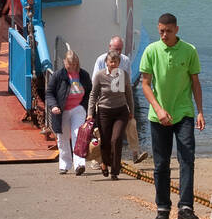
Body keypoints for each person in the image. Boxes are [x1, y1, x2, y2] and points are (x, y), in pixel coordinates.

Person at [140, 13, 205, 219]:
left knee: (187, 159)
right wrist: (158, 109)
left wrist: (200, 111)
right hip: (158, 116)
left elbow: (195, 82)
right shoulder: (151, 51)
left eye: (168, 31)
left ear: (176, 29)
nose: (164, 35)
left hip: (184, 112)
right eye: (161, 31)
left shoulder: (189, 50)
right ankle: (163, 208)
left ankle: (185, 208)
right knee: (161, 164)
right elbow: (146, 85)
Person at [92, 35, 150, 165]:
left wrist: (129, 107)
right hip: (104, 100)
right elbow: (95, 84)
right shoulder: (101, 60)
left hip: (120, 100)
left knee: (131, 123)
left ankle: (135, 153)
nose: (118, 52)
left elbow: (127, 84)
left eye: (120, 49)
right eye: (116, 49)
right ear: (109, 47)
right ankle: (98, 159)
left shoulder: (125, 60)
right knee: (102, 131)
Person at [87, 42, 132, 179]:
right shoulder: (100, 76)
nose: (113, 64)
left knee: (116, 139)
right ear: (106, 62)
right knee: (105, 141)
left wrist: (131, 111)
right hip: (104, 111)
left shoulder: (123, 74)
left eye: (116, 62)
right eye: (111, 62)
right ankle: (105, 164)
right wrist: (90, 113)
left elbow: (129, 93)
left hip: (120, 111)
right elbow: (93, 94)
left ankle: (115, 171)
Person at [46, 49, 92, 175]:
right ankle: (65, 164)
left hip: (78, 108)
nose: (72, 67)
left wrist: (87, 108)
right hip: (62, 110)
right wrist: (54, 106)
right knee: (63, 137)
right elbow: (49, 93)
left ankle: (79, 164)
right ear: (64, 62)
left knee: (78, 135)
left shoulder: (84, 75)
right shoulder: (58, 75)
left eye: (74, 64)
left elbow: (89, 92)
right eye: (69, 64)